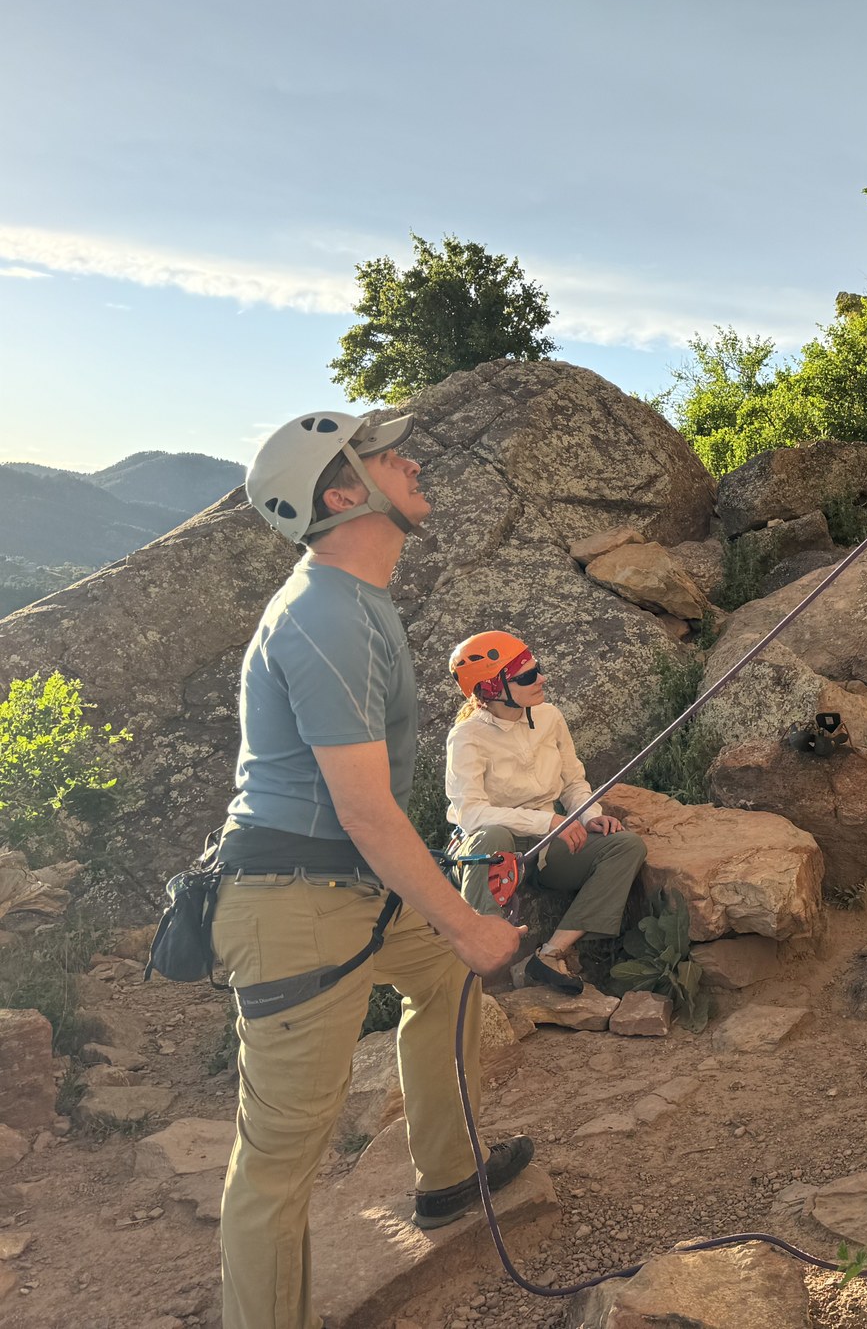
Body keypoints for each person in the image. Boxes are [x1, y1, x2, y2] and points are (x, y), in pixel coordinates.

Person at [212, 410, 532, 1329]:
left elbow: (363, 815)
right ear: (344, 492)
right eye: (389, 456)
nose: (414, 461)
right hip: (294, 906)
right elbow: (361, 807)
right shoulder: (325, 617)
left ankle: (443, 1176)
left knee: (445, 984)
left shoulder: (356, 601)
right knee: (279, 1162)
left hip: (348, 887)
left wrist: (446, 914)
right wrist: (468, 923)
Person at [444, 631, 647, 996]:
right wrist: (548, 821)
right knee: (493, 836)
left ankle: (551, 955)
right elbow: (472, 814)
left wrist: (587, 815)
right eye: (526, 677)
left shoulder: (550, 717)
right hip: (493, 844)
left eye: (537, 670)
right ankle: (479, 969)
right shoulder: (467, 737)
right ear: (492, 688)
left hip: (545, 847)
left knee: (626, 846)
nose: (541, 679)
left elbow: (573, 782)